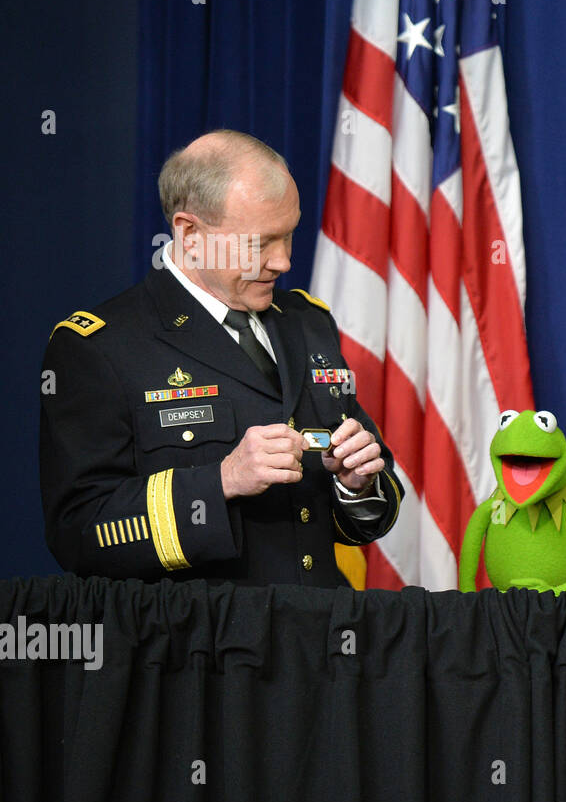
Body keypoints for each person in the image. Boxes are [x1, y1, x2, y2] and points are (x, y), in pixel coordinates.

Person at [40, 130, 403, 589]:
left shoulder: (307, 323)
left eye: (289, 235)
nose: (284, 261)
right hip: (198, 648)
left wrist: (356, 485)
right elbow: (77, 533)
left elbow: (367, 507)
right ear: (189, 233)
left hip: (321, 642)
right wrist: (222, 481)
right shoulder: (100, 347)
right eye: (260, 244)